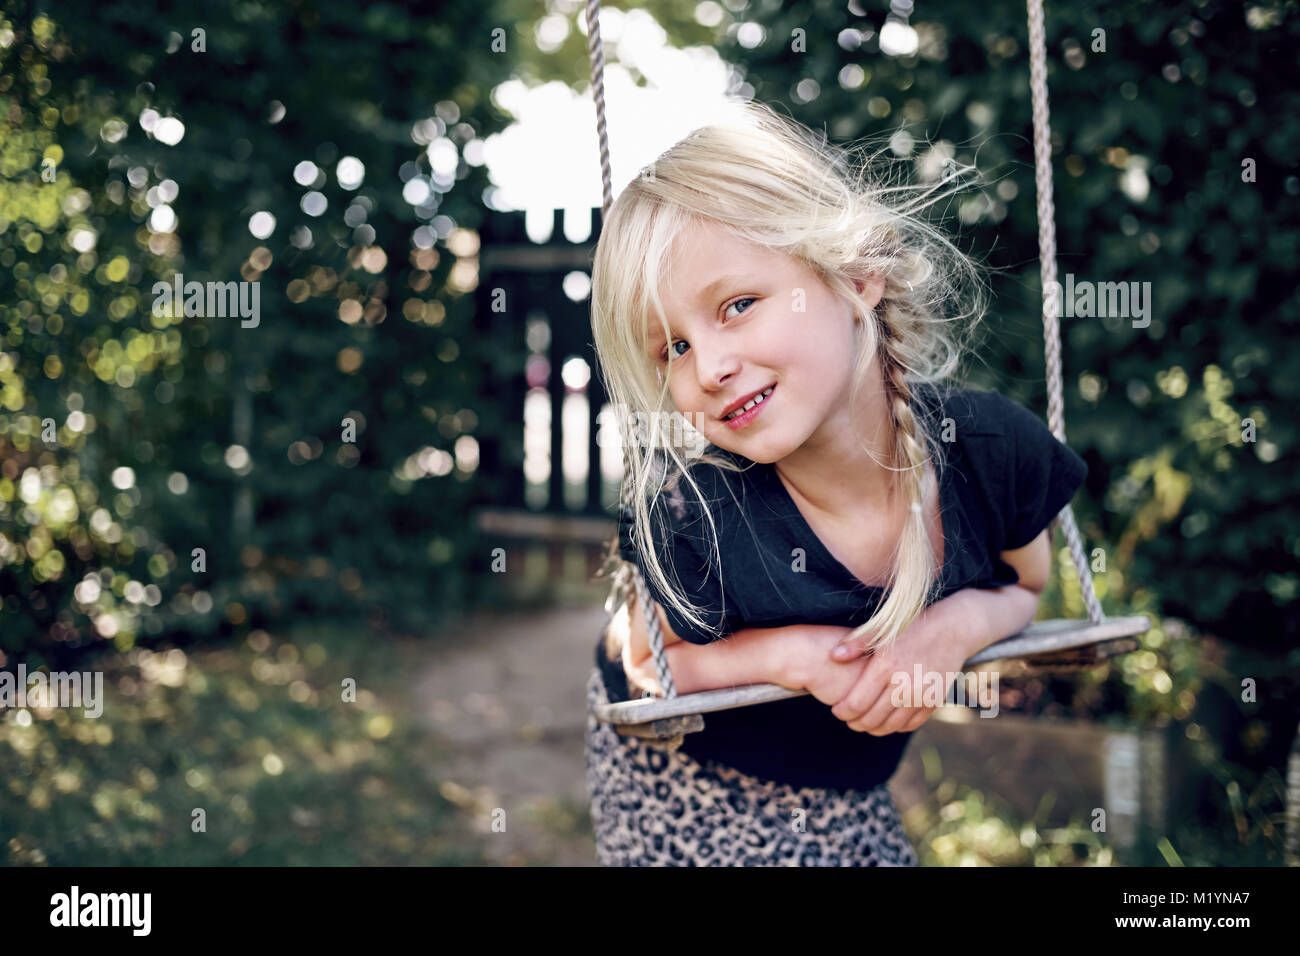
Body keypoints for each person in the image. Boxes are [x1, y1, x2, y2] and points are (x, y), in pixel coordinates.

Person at [584, 100, 1087, 866]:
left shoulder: (988, 453)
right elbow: (646, 661)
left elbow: (1024, 588)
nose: (709, 368)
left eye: (739, 306)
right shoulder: (698, 511)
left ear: (856, 278)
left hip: (846, 786)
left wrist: (945, 633)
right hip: (683, 771)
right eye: (673, 347)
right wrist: (788, 657)